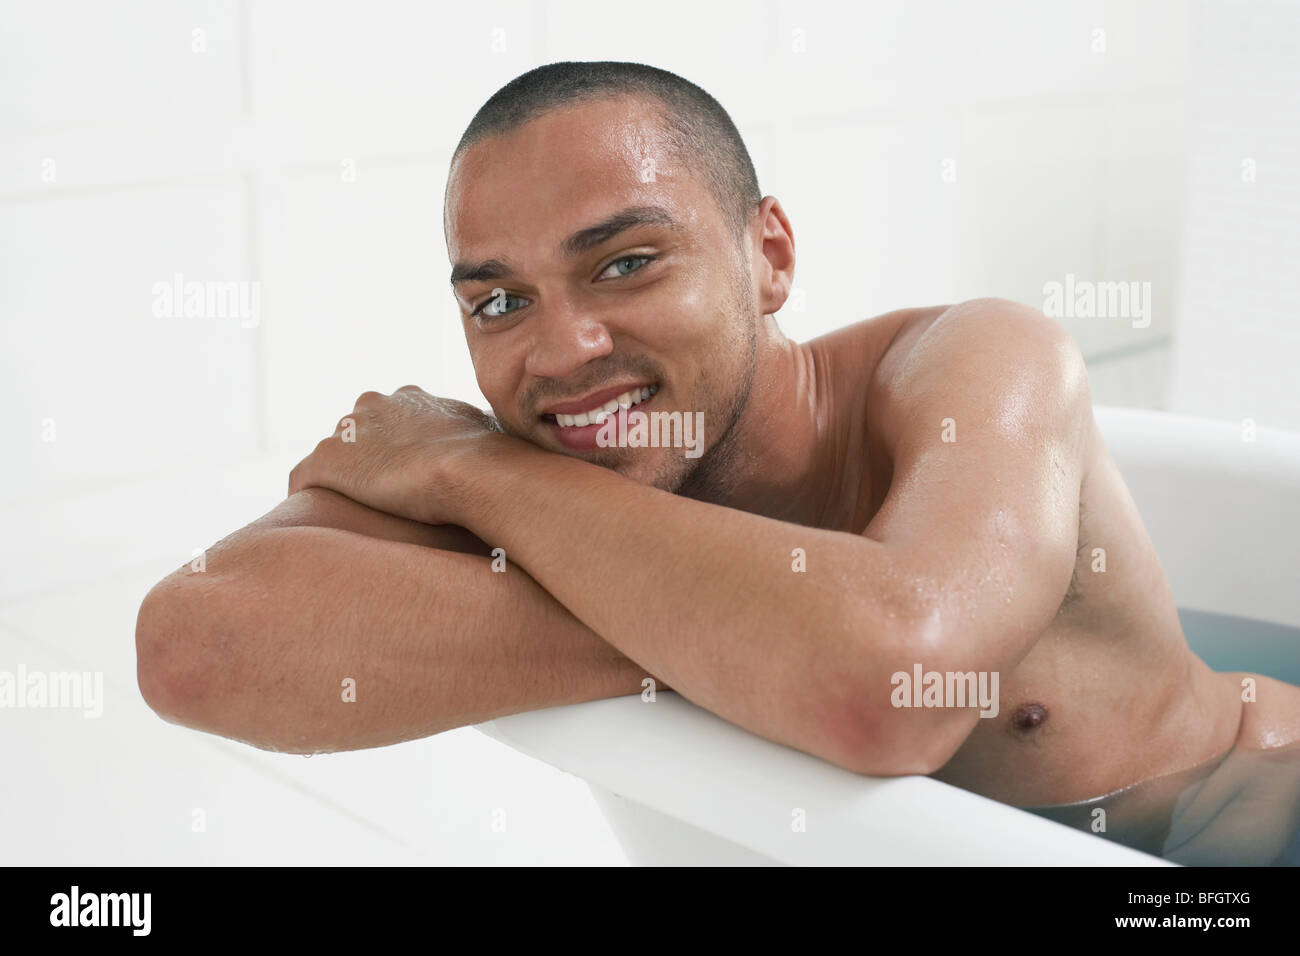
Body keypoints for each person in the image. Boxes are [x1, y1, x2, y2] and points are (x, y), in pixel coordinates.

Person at [135, 61, 1300, 862]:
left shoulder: (980, 359)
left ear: (769, 254)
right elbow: (192, 644)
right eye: (498, 299)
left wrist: (473, 476)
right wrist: (756, 635)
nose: (562, 350)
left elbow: (887, 691)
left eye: (627, 262)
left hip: (1243, 795)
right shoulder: (578, 483)